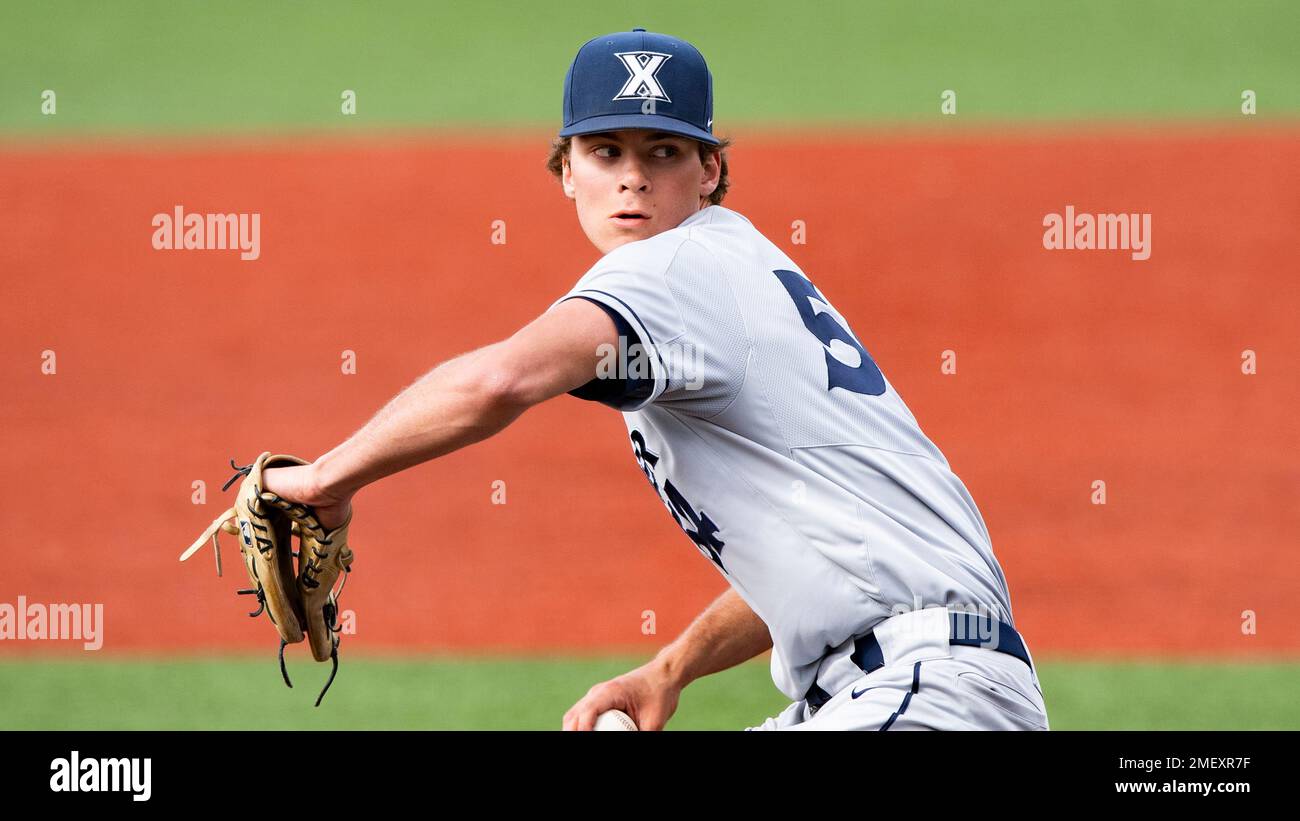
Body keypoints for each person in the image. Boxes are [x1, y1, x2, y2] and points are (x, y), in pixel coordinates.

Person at [262, 28, 1050, 731]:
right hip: (920, 683)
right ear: (565, 171)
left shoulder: (673, 267)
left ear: (709, 169)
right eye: (607, 152)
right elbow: (823, 562)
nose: (632, 179)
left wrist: (329, 478)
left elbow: (502, 380)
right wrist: (669, 669)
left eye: (663, 153)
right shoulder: (726, 268)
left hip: (928, 692)